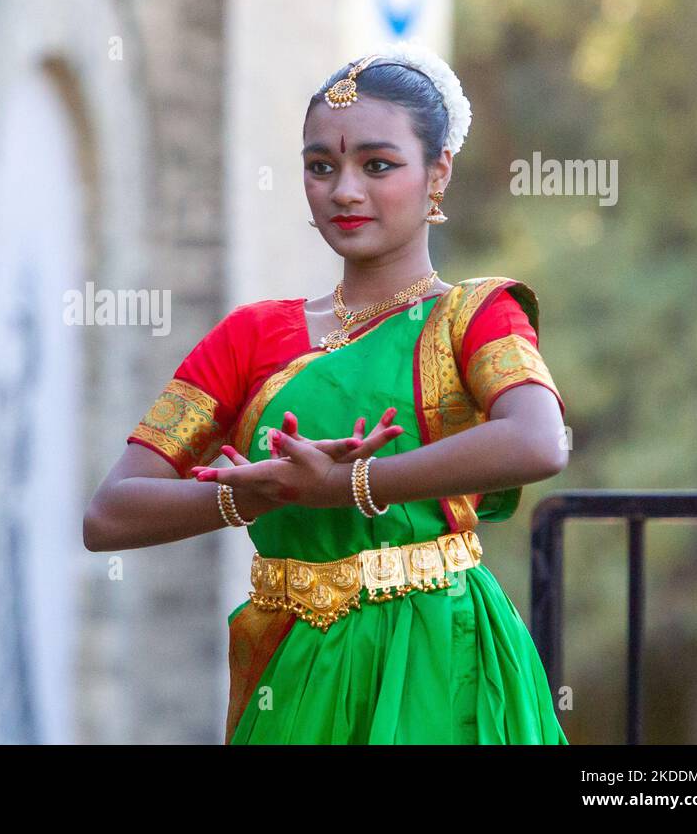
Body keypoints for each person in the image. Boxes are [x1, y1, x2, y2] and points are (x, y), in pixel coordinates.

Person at [85, 42, 569, 744]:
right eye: (321, 167)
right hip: (299, 663)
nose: (344, 190)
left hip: (440, 652)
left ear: (439, 172)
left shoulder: (472, 315)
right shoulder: (251, 335)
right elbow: (109, 516)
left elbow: (537, 439)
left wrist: (351, 486)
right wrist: (257, 493)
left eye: (378, 165)